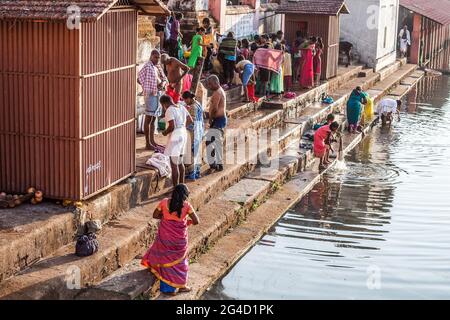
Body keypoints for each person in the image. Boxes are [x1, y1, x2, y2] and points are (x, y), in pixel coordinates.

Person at [141, 184, 200, 296]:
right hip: (179, 241)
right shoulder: (187, 206)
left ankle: (167, 289)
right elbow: (197, 221)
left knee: (164, 259)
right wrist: (186, 222)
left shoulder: (164, 202)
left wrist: (166, 220)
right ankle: (181, 286)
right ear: (184, 195)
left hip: (165, 237)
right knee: (180, 262)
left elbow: (155, 215)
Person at [138, 50, 168, 151]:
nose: (157, 59)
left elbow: (164, 79)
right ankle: (147, 143)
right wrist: (146, 86)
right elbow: (139, 77)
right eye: (155, 57)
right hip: (150, 95)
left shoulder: (157, 66)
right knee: (148, 119)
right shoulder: (147, 66)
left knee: (154, 118)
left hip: (157, 94)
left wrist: (162, 84)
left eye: (158, 58)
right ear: (151, 56)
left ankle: (152, 140)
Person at [160, 95, 193, 187]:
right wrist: (181, 127)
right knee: (180, 161)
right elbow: (190, 120)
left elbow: (171, 126)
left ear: (164, 104)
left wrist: (165, 133)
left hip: (176, 135)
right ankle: (182, 186)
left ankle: (176, 188)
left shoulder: (169, 110)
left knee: (174, 163)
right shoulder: (181, 106)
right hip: (183, 133)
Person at [205, 75, 227, 172]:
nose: (209, 86)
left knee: (210, 142)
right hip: (219, 120)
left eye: (210, 84)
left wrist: (210, 119)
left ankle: (214, 165)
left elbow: (214, 109)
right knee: (214, 142)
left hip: (218, 120)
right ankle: (218, 164)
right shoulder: (219, 91)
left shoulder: (218, 93)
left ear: (215, 82)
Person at [182, 91, 205, 180]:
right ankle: (197, 172)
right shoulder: (198, 103)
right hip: (199, 130)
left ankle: (192, 174)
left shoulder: (193, 107)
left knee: (191, 154)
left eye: (185, 100)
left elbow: (192, 121)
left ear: (189, 98)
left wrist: (183, 126)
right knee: (197, 152)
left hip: (194, 132)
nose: (185, 102)